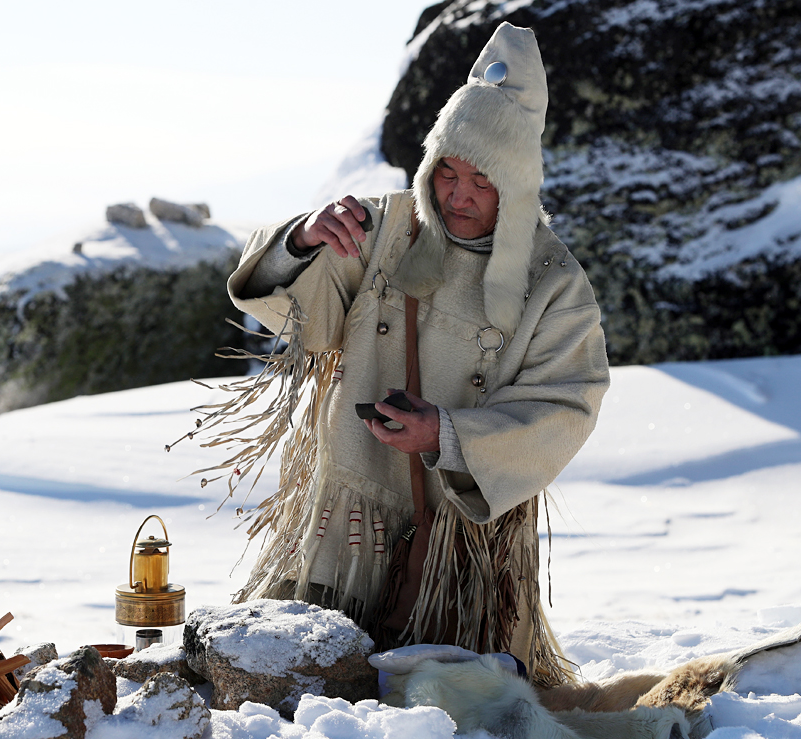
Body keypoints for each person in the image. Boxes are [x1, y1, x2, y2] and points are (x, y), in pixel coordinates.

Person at [213, 22, 609, 688]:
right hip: (347, 515)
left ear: (516, 182)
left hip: (461, 546)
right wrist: (304, 239)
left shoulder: (556, 284)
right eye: (446, 171)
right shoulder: (387, 226)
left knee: (445, 708)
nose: (457, 195)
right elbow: (284, 300)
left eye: (481, 180)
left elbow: (567, 406)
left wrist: (447, 435)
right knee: (313, 693)